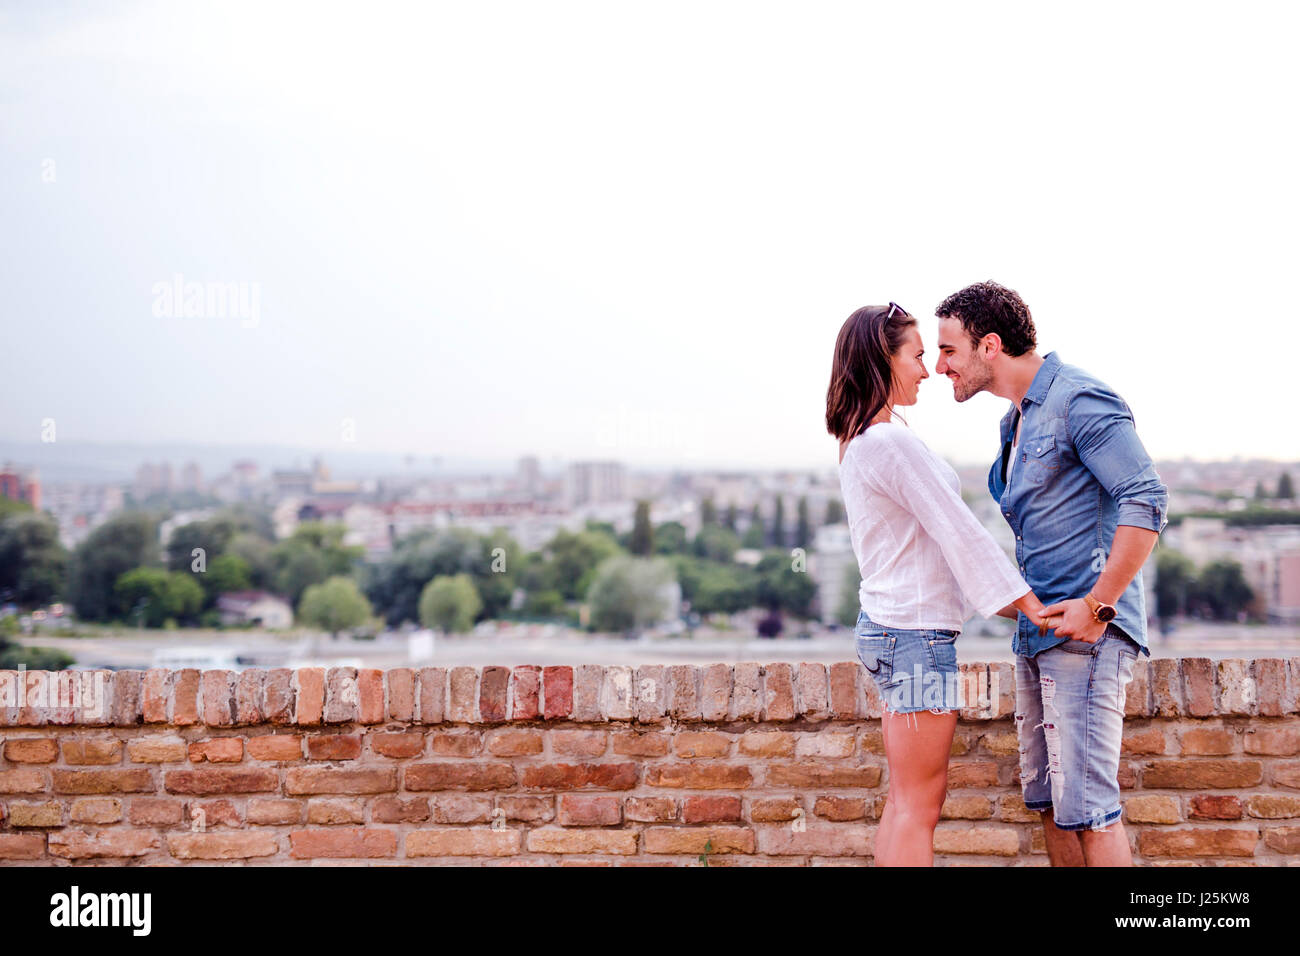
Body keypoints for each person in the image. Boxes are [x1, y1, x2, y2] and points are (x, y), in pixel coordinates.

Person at [934, 280, 1169, 866]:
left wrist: (1098, 607)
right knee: (1049, 803)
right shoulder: (1014, 422)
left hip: (1087, 638)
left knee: (1090, 810)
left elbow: (1146, 501)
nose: (939, 366)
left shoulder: (1080, 400)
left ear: (990, 346)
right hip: (1039, 636)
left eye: (948, 351)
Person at [826, 301, 1048, 867]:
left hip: (892, 632)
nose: (928, 371)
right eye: (918, 357)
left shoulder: (861, 440)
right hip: (915, 640)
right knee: (919, 806)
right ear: (883, 358)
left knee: (904, 801)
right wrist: (1031, 608)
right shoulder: (887, 443)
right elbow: (960, 531)